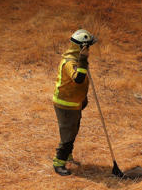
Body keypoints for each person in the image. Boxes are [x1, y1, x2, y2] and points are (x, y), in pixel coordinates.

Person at [52, 29, 95, 176]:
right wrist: (83, 60)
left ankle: (67, 154)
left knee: (74, 129)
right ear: (82, 47)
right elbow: (78, 79)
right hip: (65, 104)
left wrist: (83, 97)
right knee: (68, 134)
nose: (90, 49)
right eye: (88, 46)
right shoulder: (70, 62)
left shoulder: (76, 59)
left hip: (74, 102)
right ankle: (59, 161)